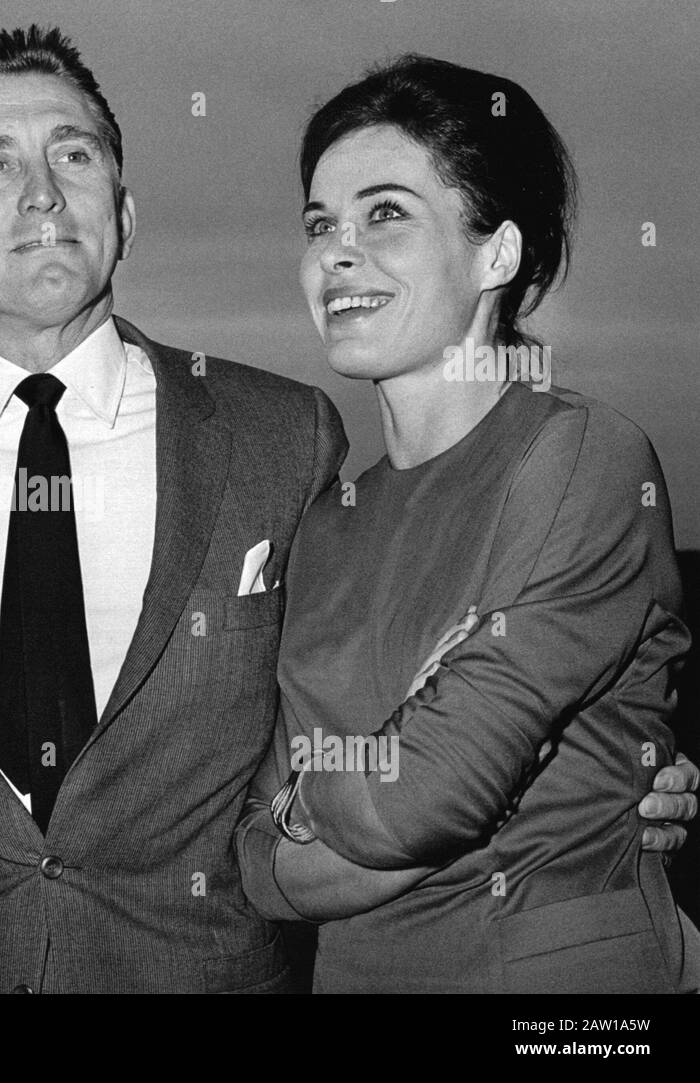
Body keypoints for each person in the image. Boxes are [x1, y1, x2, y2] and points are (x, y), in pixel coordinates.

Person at [0, 28, 693, 994]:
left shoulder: (286, 439)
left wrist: (575, 781)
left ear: (124, 211)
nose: (41, 190)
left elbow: (456, 738)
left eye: (73, 153)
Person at [236, 55, 699, 993]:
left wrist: (321, 801)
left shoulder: (582, 461)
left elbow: (424, 798)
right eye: (320, 224)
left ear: (497, 254)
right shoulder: (326, 521)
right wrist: (435, 776)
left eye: (387, 213)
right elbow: (254, 866)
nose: (337, 251)